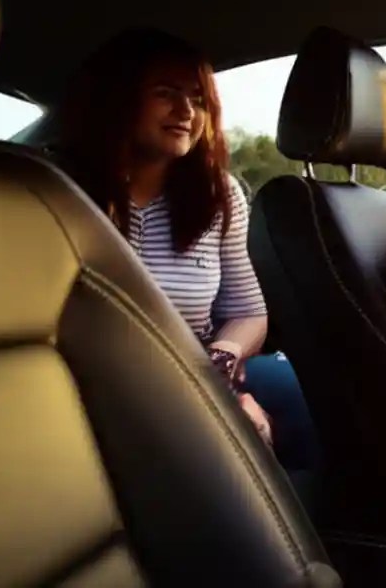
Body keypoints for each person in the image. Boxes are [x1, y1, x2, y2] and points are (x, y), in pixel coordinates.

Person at [58, 28, 319, 472]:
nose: (186, 111)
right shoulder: (60, 191)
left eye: (198, 100)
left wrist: (218, 371)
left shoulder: (220, 196)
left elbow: (248, 310)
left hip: (196, 367)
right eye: (165, 93)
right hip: (94, 381)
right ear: (117, 99)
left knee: (300, 390)